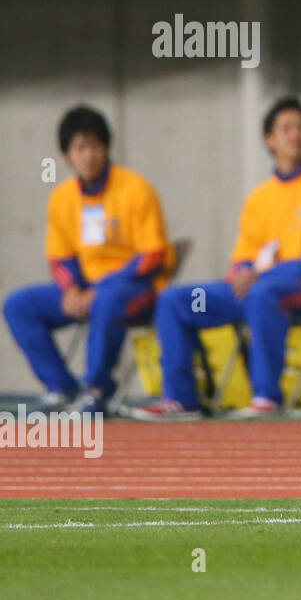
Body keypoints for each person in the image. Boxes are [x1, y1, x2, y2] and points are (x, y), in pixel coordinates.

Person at [132, 96, 301, 419]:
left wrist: (259, 277)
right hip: (246, 292)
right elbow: (242, 259)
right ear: (269, 140)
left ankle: (266, 397)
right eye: (286, 128)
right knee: (176, 302)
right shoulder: (259, 198)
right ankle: (181, 399)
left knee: (263, 295)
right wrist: (245, 273)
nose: (296, 135)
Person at [3, 106, 174, 414]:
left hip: (136, 288)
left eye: (95, 146)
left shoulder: (136, 189)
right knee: (18, 305)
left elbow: (152, 256)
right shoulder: (61, 198)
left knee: (106, 300)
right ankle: (61, 388)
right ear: (67, 155)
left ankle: (97, 389)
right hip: (85, 290)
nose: (89, 155)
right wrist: (71, 289)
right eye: (80, 148)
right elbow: (60, 257)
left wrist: (102, 287)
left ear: (107, 147)